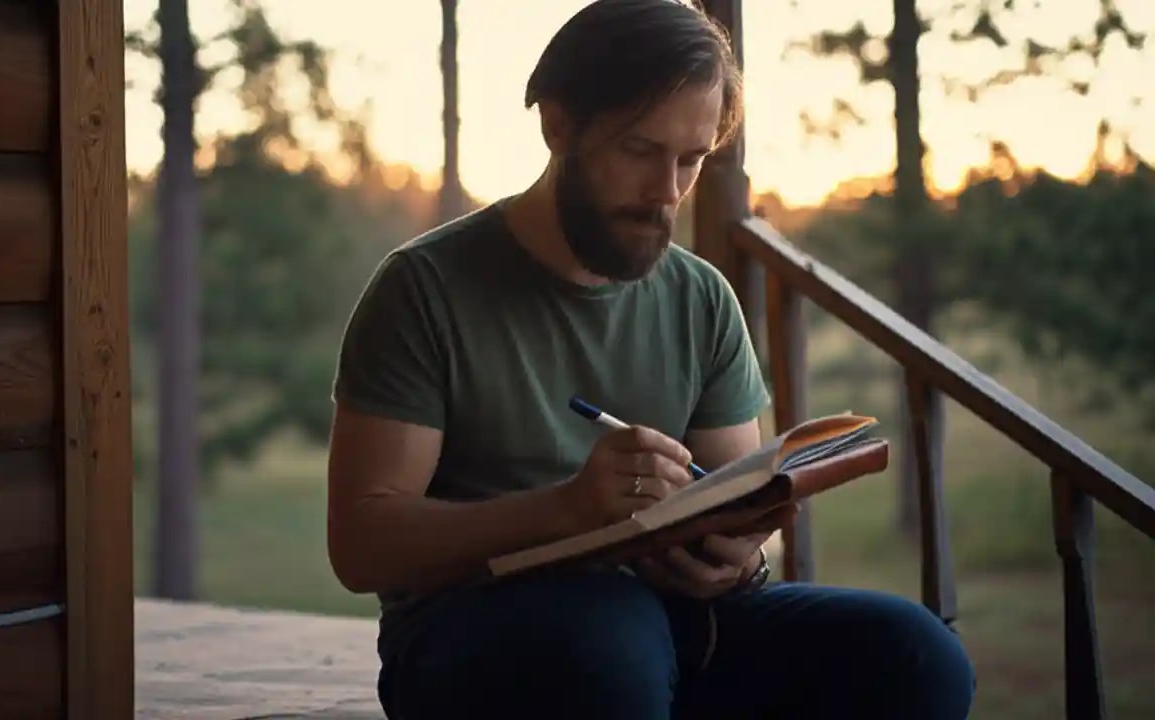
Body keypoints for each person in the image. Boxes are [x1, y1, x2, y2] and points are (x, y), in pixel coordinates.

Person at [326, 1, 975, 717]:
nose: (666, 193)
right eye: (640, 152)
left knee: (915, 654)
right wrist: (567, 510)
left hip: (675, 628)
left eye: (691, 161)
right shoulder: (424, 288)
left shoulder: (699, 298)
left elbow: (734, 499)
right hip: (479, 633)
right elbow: (362, 544)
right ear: (557, 123)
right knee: (605, 641)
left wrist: (736, 557)